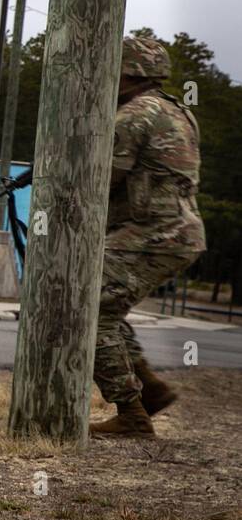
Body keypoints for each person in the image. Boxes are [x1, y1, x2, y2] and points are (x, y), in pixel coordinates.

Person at [89, 35, 206, 439]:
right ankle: (149, 392)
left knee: (83, 309)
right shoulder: (178, 111)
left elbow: (101, 181)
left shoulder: (133, 115)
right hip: (178, 232)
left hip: (154, 233)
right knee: (106, 309)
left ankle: (132, 414)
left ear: (125, 71)